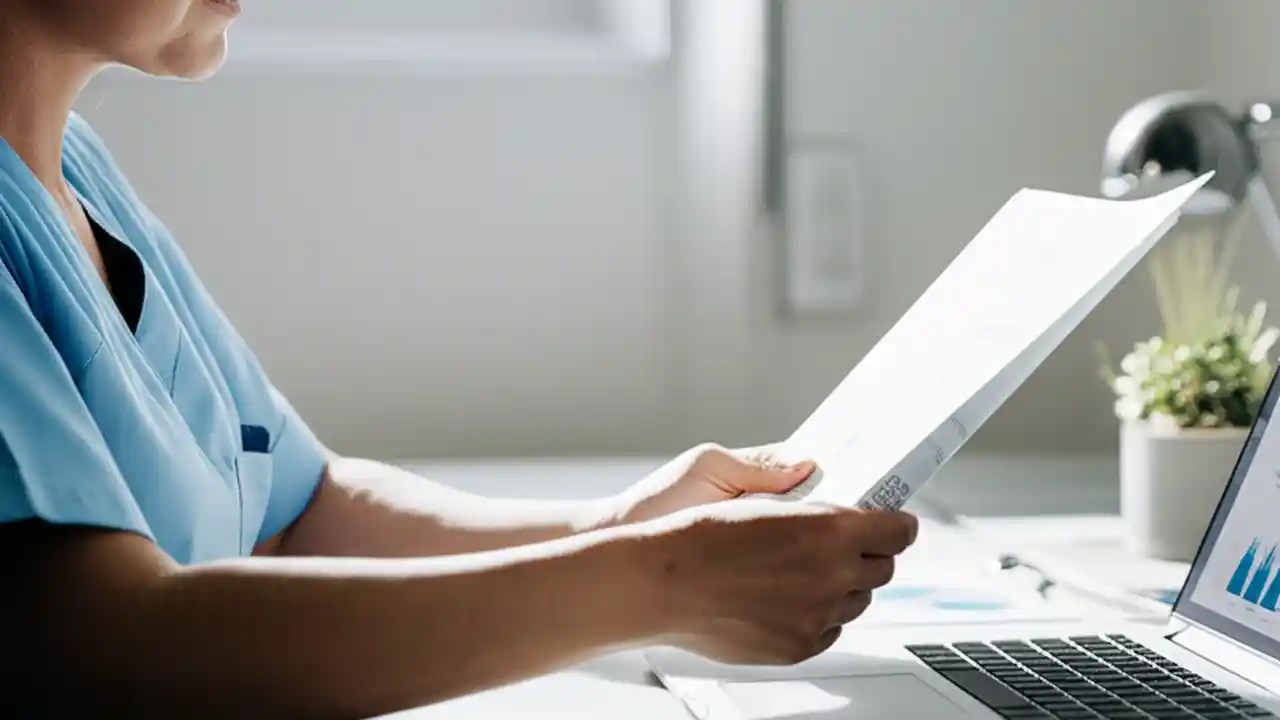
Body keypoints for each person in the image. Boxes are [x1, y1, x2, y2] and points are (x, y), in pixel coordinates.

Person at [0, 1, 919, 716]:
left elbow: (299, 511)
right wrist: (656, 583)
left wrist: (614, 527)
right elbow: (103, 646)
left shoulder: (74, 171)